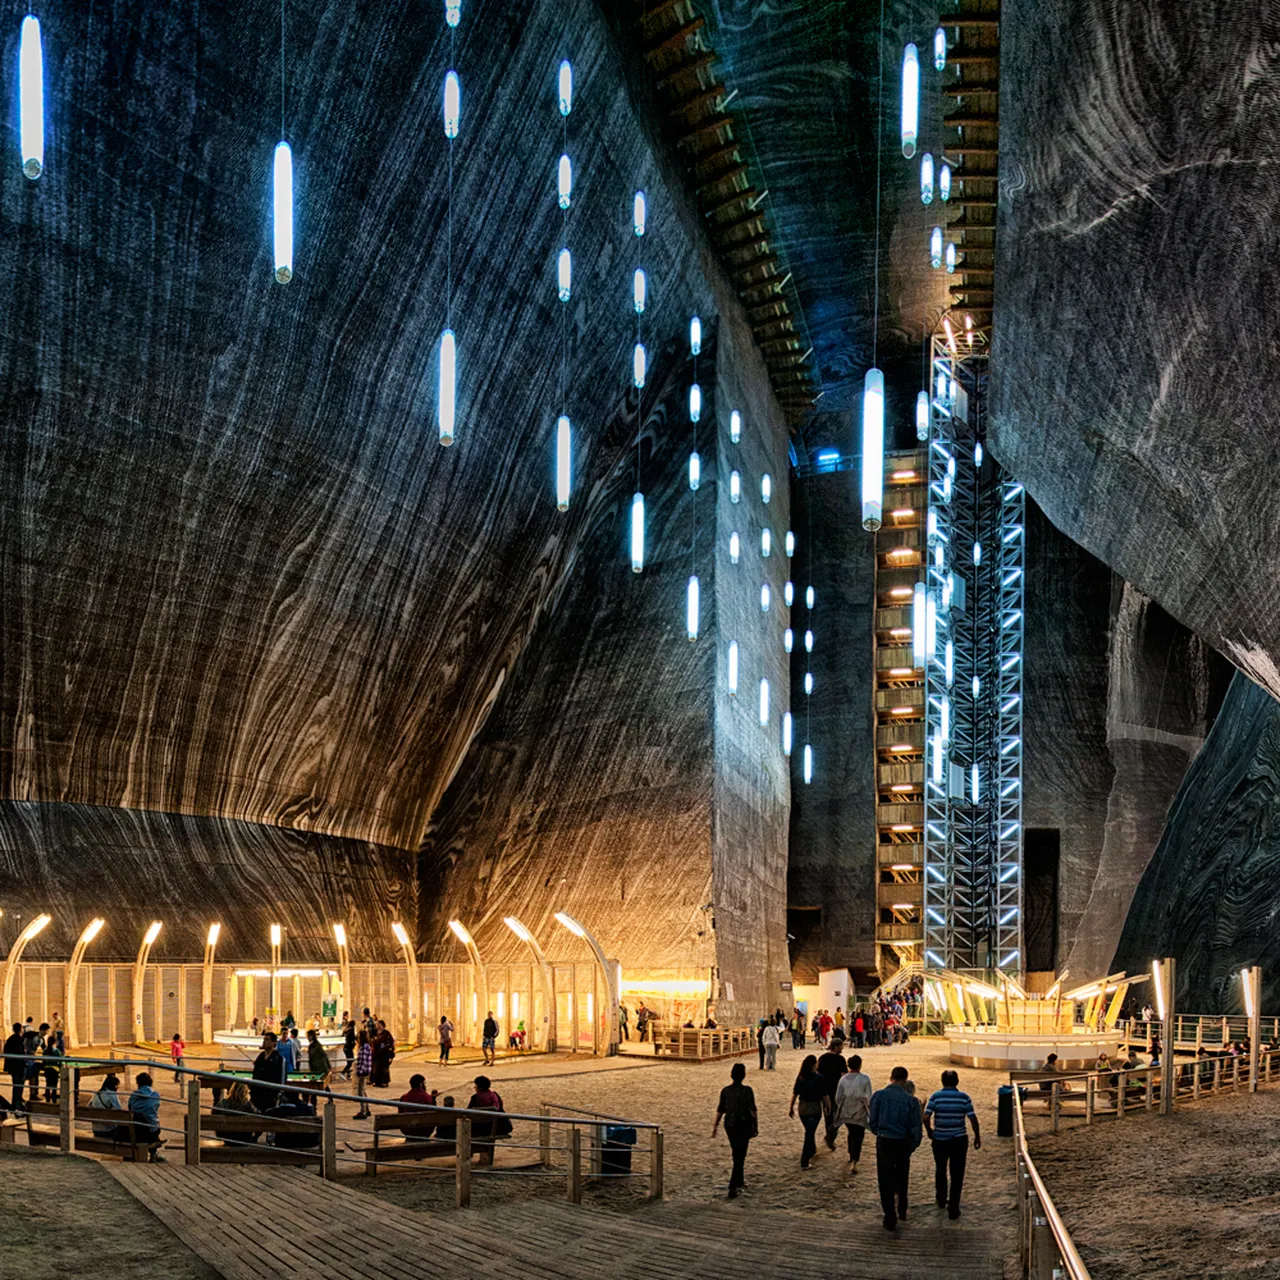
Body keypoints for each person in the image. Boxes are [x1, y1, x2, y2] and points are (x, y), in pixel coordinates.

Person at [868, 1065, 922, 1231]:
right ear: (905, 1079)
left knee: (885, 1180)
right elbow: (915, 1128)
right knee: (902, 1176)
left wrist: (880, 1132)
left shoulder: (879, 1096)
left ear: (891, 1077)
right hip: (902, 1141)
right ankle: (902, 1209)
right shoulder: (911, 1100)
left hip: (885, 1140)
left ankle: (889, 1216)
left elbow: (872, 1122)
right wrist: (912, 1146)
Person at [924, 1070, 981, 1219]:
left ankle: (941, 1199)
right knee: (957, 1173)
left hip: (940, 1139)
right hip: (959, 1140)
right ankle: (954, 1207)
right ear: (957, 1081)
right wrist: (977, 1136)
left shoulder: (936, 1097)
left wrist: (930, 1131)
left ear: (942, 1081)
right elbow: (972, 1118)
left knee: (940, 1169)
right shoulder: (964, 1097)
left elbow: (925, 1116)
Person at [711, 1060, 757, 1198]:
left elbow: (720, 1109)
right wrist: (756, 1125)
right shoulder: (747, 1090)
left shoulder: (725, 1091)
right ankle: (733, 1185)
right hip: (743, 1123)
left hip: (730, 1124)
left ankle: (740, 1180)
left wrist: (715, 1126)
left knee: (736, 1152)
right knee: (740, 1155)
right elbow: (753, 1110)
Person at [789, 1054, 830, 1169]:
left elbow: (795, 1093)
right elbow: (824, 1094)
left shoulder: (801, 1077)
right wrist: (828, 1106)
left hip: (802, 1108)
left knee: (809, 1130)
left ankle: (811, 1150)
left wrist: (791, 1107)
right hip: (814, 1108)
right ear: (814, 1065)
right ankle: (804, 1160)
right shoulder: (819, 1078)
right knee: (810, 1133)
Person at [832, 1053, 873, 1171]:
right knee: (859, 1135)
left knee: (851, 1133)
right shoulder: (865, 1078)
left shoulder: (843, 1079)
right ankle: (855, 1159)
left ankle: (851, 1154)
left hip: (847, 1110)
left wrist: (842, 1106)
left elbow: (838, 1097)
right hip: (860, 1110)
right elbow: (869, 1096)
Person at [468, 1074, 508, 1166]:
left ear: (479, 1087)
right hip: (495, 1127)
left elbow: (468, 1112)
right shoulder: (495, 1095)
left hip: (480, 1129)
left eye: (476, 1085)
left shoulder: (476, 1098)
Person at [816, 1038, 847, 1149]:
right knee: (838, 1116)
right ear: (836, 1046)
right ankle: (830, 1137)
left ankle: (829, 1136)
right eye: (841, 1046)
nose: (842, 1048)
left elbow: (817, 1073)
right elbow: (844, 1076)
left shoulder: (822, 1058)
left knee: (828, 1116)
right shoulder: (840, 1060)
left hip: (824, 1091)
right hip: (836, 1091)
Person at [128, 1071, 166, 1161]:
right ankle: (153, 1152)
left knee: (143, 1120)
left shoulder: (134, 1095)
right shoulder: (155, 1095)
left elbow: (130, 1108)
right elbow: (156, 1108)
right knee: (153, 1121)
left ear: (138, 1083)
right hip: (151, 1128)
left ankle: (154, 1146)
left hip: (136, 1127)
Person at [211, 1080, 260, 1144]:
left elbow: (213, 1113)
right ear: (245, 1092)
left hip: (227, 1138)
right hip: (244, 1139)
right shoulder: (248, 1105)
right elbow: (259, 1116)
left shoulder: (223, 1103)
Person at [250, 1032, 287, 1113]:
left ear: (274, 1043)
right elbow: (255, 1074)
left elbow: (281, 1079)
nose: (264, 1041)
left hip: (270, 1096)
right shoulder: (260, 1057)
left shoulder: (279, 1059)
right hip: (257, 1095)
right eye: (264, 1039)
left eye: (267, 1039)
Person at [89, 1073, 126, 1138]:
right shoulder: (112, 1095)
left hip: (95, 1129)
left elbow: (89, 1106)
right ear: (114, 1086)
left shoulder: (97, 1094)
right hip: (108, 1130)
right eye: (117, 1085)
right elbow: (119, 1111)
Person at [3, 1022, 26, 1116]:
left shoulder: (10, 1039)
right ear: (20, 1030)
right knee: (19, 1087)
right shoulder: (20, 1040)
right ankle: (17, 1106)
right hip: (19, 1067)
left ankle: (15, 1105)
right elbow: (21, 1053)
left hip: (12, 1067)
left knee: (15, 1085)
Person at [353, 1029, 373, 1118]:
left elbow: (363, 1062)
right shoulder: (367, 1046)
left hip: (363, 1071)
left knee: (360, 1091)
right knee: (363, 1089)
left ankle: (363, 1111)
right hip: (365, 1070)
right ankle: (366, 1109)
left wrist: (359, 1072)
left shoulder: (364, 1047)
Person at [371, 1020, 396, 1087]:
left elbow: (391, 1042)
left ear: (383, 1025)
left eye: (379, 1025)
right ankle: (376, 1082)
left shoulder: (386, 1033)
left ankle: (384, 1082)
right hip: (376, 1054)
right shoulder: (375, 1033)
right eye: (377, 1025)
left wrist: (385, 1046)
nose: (378, 1026)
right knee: (376, 1068)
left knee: (384, 1069)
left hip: (384, 1054)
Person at [41, 1029, 62, 1103]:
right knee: (54, 1084)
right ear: (54, 1042)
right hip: (55, 1070)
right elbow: (59, 1061)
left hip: (47, 1069)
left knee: (48, 1084)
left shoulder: (45, 1051)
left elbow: (43, 1061)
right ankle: (53, 1097)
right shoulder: (57, 1051)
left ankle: (47, 1097)